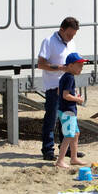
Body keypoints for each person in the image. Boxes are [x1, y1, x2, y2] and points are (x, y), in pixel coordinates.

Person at [37, 16, 80, 161]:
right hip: (53, 85)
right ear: (61, 29)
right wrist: (60, 68)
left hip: (68, 85)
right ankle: (48, 149)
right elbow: (41, 64)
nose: (70, 38)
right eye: (69, 34)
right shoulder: (49, 41)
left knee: (67, 119)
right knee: (52, 118)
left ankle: (66, 149)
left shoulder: (71, 42)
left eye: (73, 35)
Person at [55, 52, 86, 168]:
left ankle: (74, 158)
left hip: (67, 110)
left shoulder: (65, 76)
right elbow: (65, 95)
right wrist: (78, 100)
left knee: (76, 133)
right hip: (68, 111)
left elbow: (59, 92)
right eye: (79, 66)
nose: (81, 69)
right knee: (68, 136)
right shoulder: (69, 78)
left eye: (82, 66)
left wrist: (74, 95)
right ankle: (60, 161)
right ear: (70, 66)